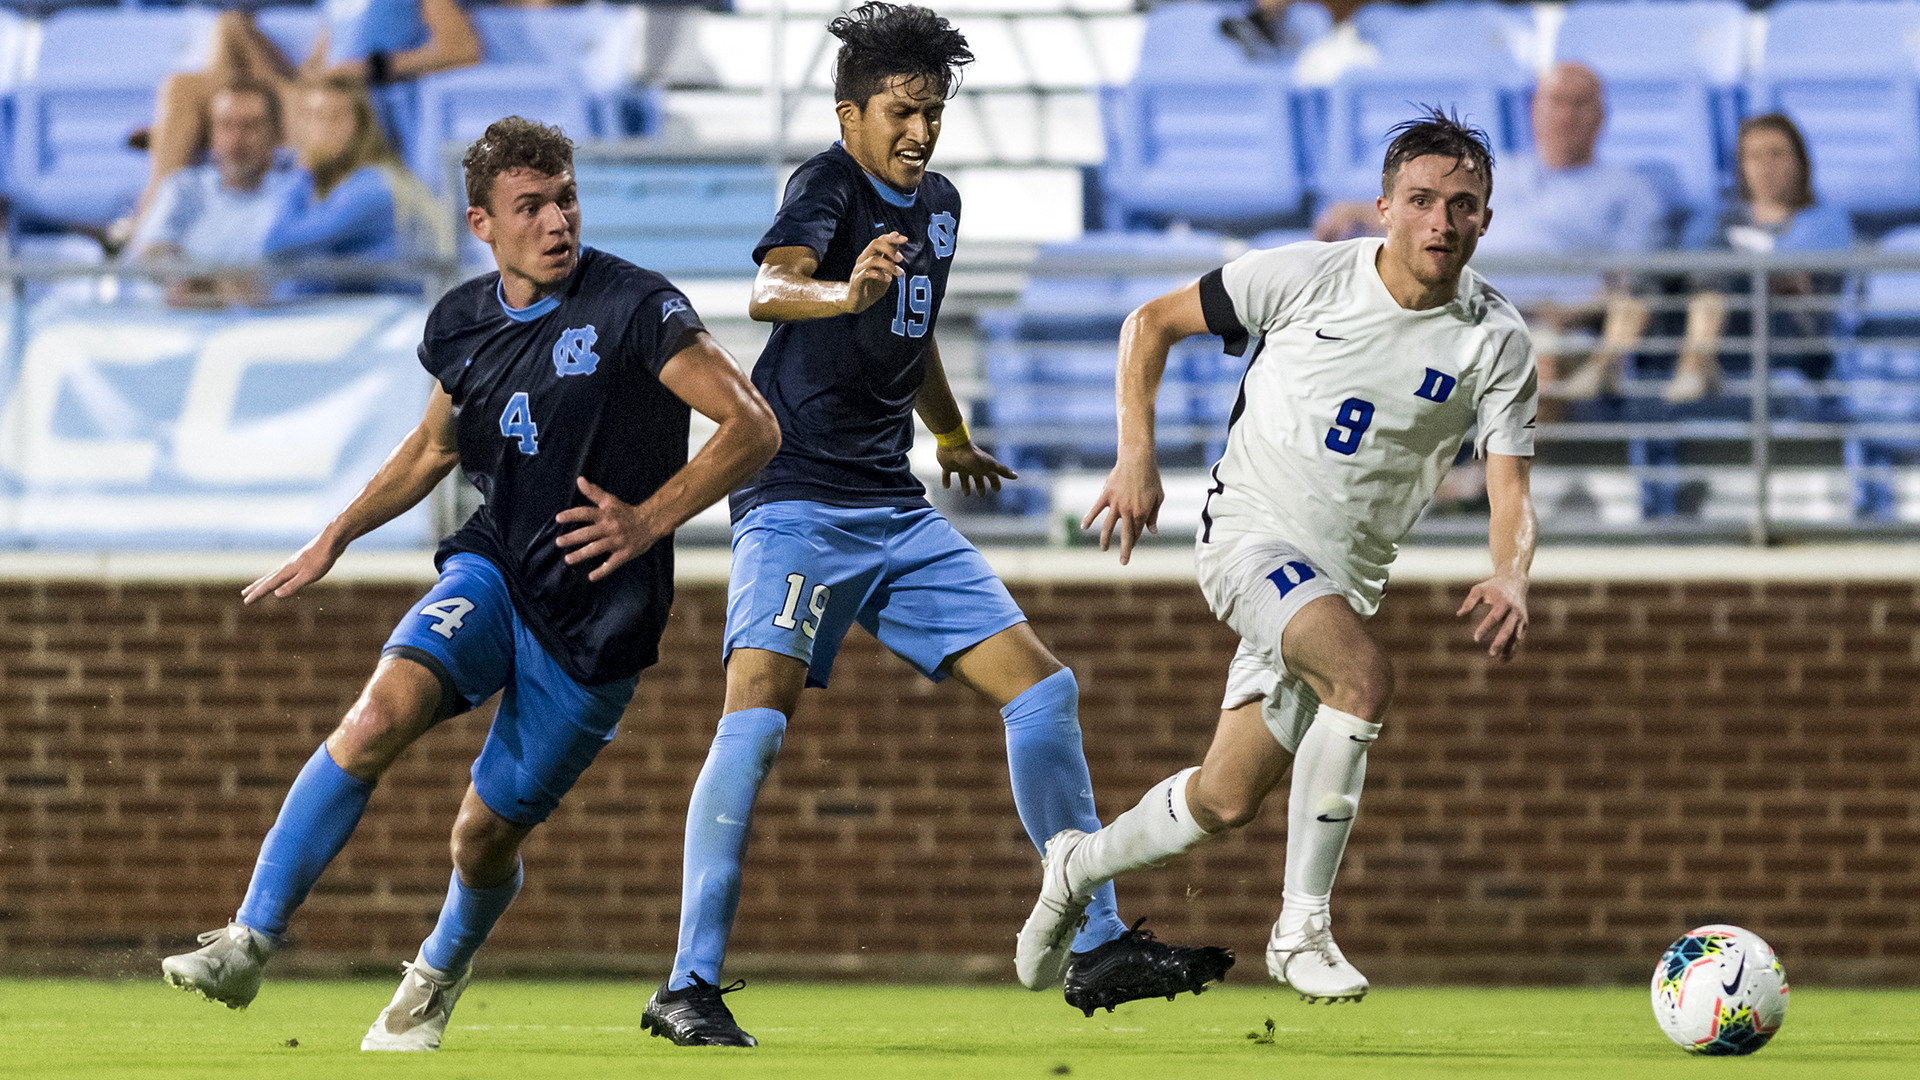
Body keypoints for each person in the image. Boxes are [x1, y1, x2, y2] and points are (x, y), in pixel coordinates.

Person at [642, 3, 1232, 1048]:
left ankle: (1094, 944)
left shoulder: (941, 205)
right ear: (851, 114)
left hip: (893, 507)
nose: (920, 133)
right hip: (797, 505)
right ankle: (688, 982)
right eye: (902, 112)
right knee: (757, 718)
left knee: (1043, 691)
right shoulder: (825, 185)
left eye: (934, 112)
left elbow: (910, 332)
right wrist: (842, 288)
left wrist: (950, 432)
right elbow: (771, 290)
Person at [158, 115, 782, 1053]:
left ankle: (438, 971)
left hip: (598, 624)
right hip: (493, 569)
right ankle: (249, 940)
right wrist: (336, 535)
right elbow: (432, 450)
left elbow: (752, 427)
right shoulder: (459, 322)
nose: (556, 221)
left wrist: (650, 519)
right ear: (482, 223)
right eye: (530, 206)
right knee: (376, 716)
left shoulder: (637, 308)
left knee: (480, 839)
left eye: (566, 198)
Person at [1019, 108, 1537, 1006]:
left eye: (1463, 204)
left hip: (1339, 584)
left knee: (1223, 801)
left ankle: (1076, 866)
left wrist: (1510, 571)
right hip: (1249, 540)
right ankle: (1300, 928)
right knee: (1364, 682)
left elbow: (1511, 494)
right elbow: (1149, 323)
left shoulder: (1497, 340)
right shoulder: (1304, 276)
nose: (1440, 223)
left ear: (1486, 219)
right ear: (1383, 206)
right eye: (1421, 200)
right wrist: (1135, 455)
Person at [133, 0, 479, 223]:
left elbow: (462, 48)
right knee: (226, 31)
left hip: (357, 113)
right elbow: (317, 65)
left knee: (198, 75)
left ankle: (146, 217)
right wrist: (313, 77)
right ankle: (157, 202)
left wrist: (371, 68)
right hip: (317, 99)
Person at [264, 74, 451, 292]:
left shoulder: (375, 186)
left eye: (335, 117)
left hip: (405, 312)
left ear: (362, 126)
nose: (322, 128)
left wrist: (303, 172)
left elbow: (277, 244)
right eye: (313, 116)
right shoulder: (327, 187)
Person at [132, 82, 299, 308]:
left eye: (250, 126)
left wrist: (205, 286)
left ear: (276, 134)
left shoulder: (294, 193)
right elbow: (151, 252)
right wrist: (212, 285)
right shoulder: (184, 187)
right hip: (184, 324)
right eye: (225, 125)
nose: (236, 140)